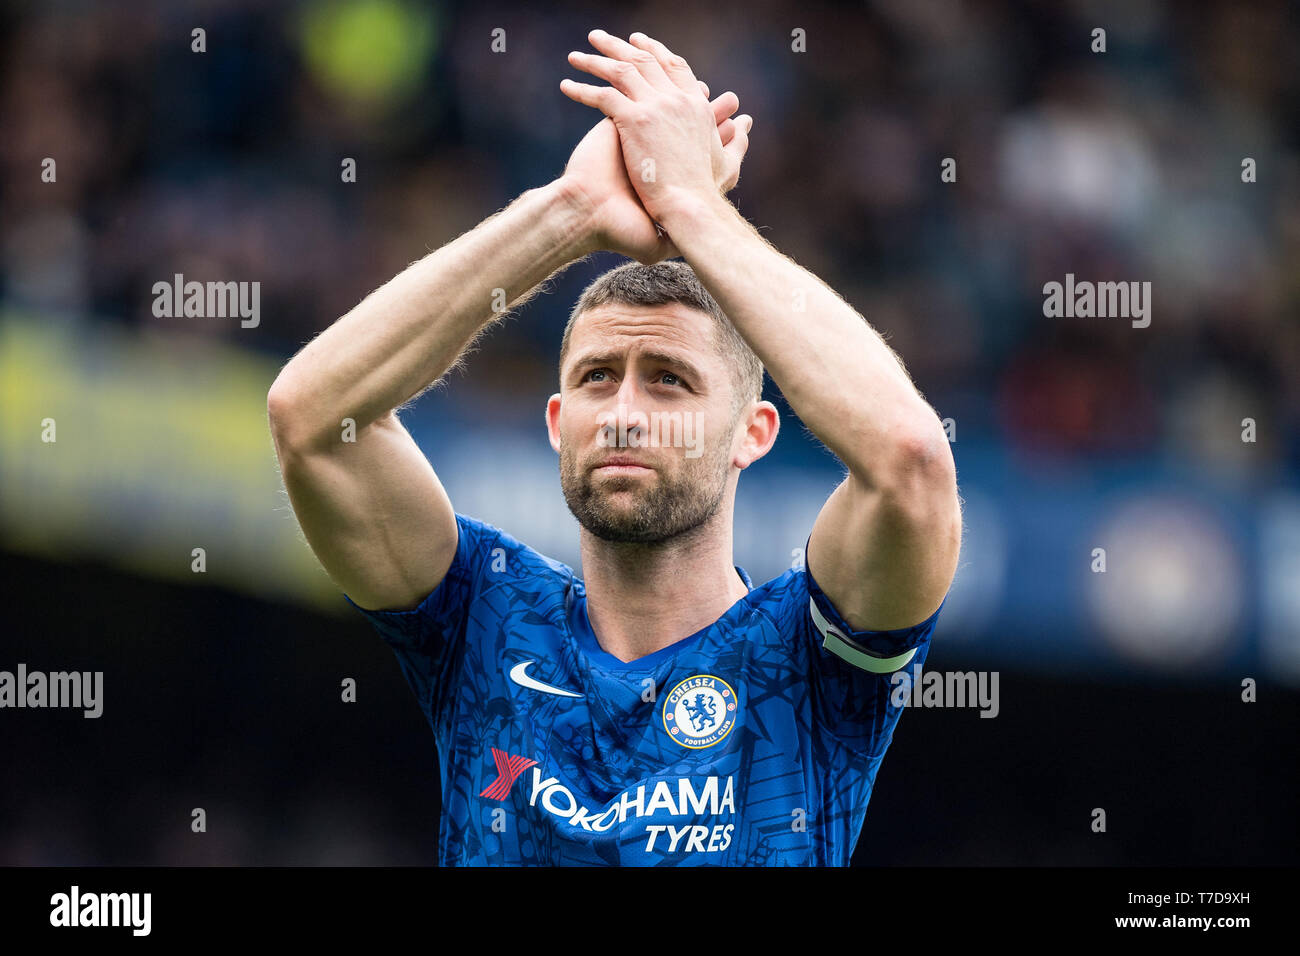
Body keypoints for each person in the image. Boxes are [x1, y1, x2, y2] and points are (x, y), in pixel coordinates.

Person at [267, 29, 961, 865]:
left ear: (754, 432)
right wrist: (571, 212)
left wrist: (696, 211)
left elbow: (909, 459)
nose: (625, 413)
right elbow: (312, 420)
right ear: (558, 421)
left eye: (669, 379)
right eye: (598, 376)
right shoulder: (484, 621)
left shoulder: (810, 660)